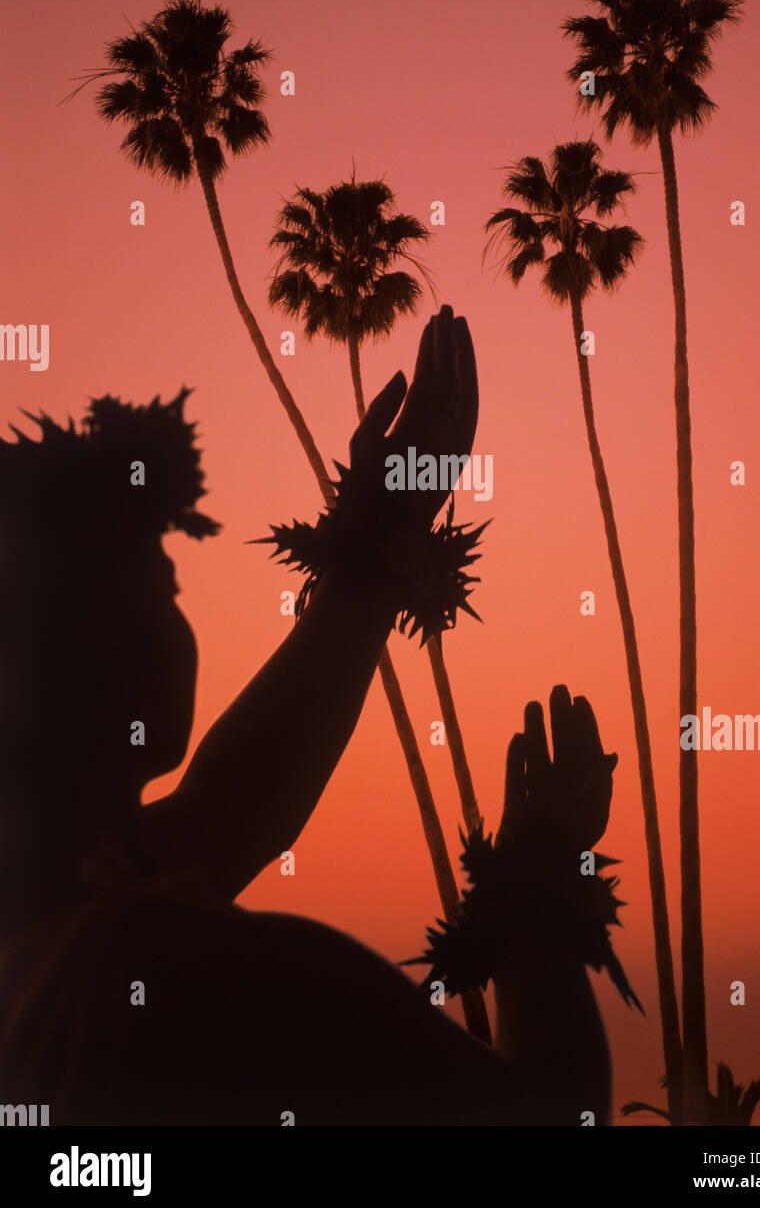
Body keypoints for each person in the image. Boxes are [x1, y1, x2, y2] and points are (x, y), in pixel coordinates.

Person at [0, 308, 621, 1125]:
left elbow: (229, 809)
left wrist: (383, 542)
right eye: (166, 590)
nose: (182, 623)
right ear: (128, 668)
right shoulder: (211, 981)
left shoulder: (37, 922)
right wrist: (537, 891)